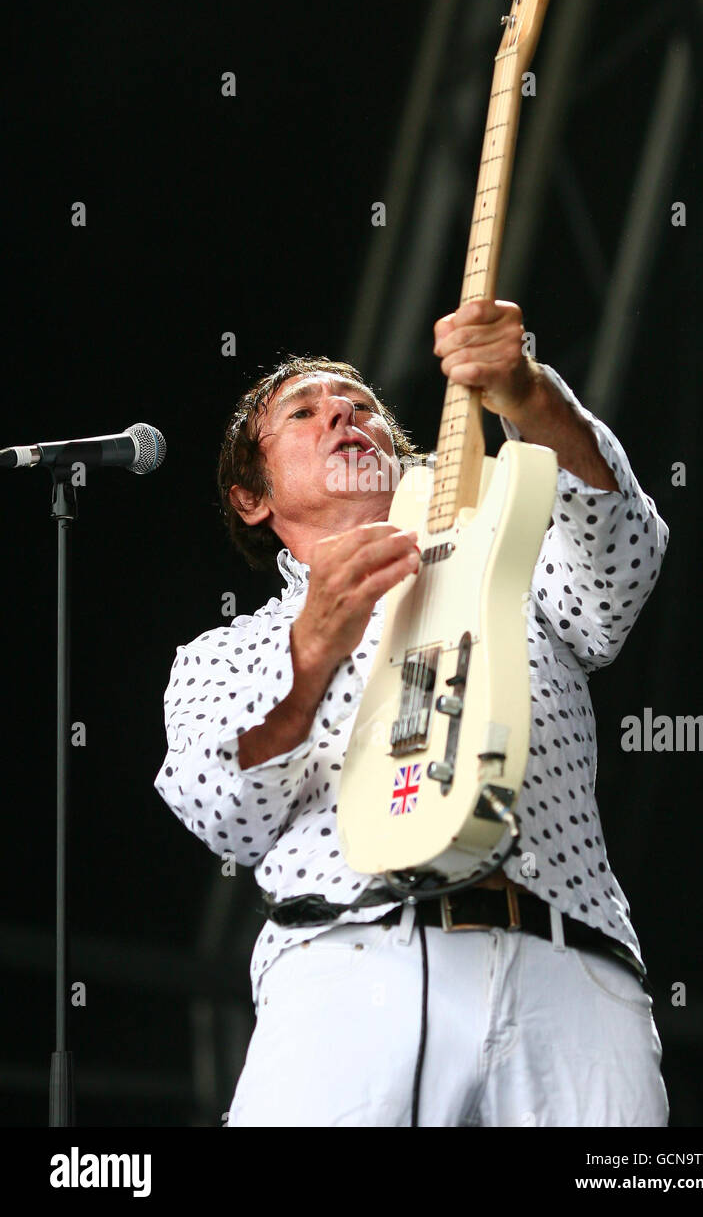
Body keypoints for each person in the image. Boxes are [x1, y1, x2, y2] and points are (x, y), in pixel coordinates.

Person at [155, 298, 670, 1127]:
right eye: (305, 411)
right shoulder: (226, 652)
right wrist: (311, 654)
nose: (345, 415)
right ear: (252, 499)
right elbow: (228, 814)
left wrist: (530, 396)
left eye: (362, 406)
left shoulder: (506, 544)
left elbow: (619, 574)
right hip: (348, 968)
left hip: (571, 968)